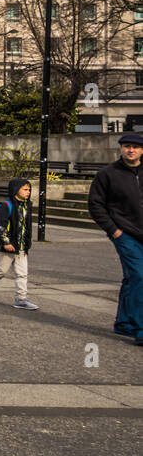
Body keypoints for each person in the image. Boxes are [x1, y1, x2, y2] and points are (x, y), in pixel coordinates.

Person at [87, 133, 143, 344]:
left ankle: (123, 323)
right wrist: (114, 230)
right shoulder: (107, 174)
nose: (131, 150)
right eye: (127, 147)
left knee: (133, 279)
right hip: (124, 233)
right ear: (121, 149)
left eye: (135, 147)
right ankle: (140, 328)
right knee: (139, 276)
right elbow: (95, 204)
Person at [0, 178, 37, 310]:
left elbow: (27, 226)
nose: (28, 192)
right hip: (7, 246)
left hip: (21, 247)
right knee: (0, 271)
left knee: (22, 274)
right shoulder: (7, 206)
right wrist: (6, 242)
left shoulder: (27, 205)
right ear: (16, 190)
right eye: (25, 189)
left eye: (29, 189)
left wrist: (27, 243)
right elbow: (1, 226)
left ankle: (21, 299)